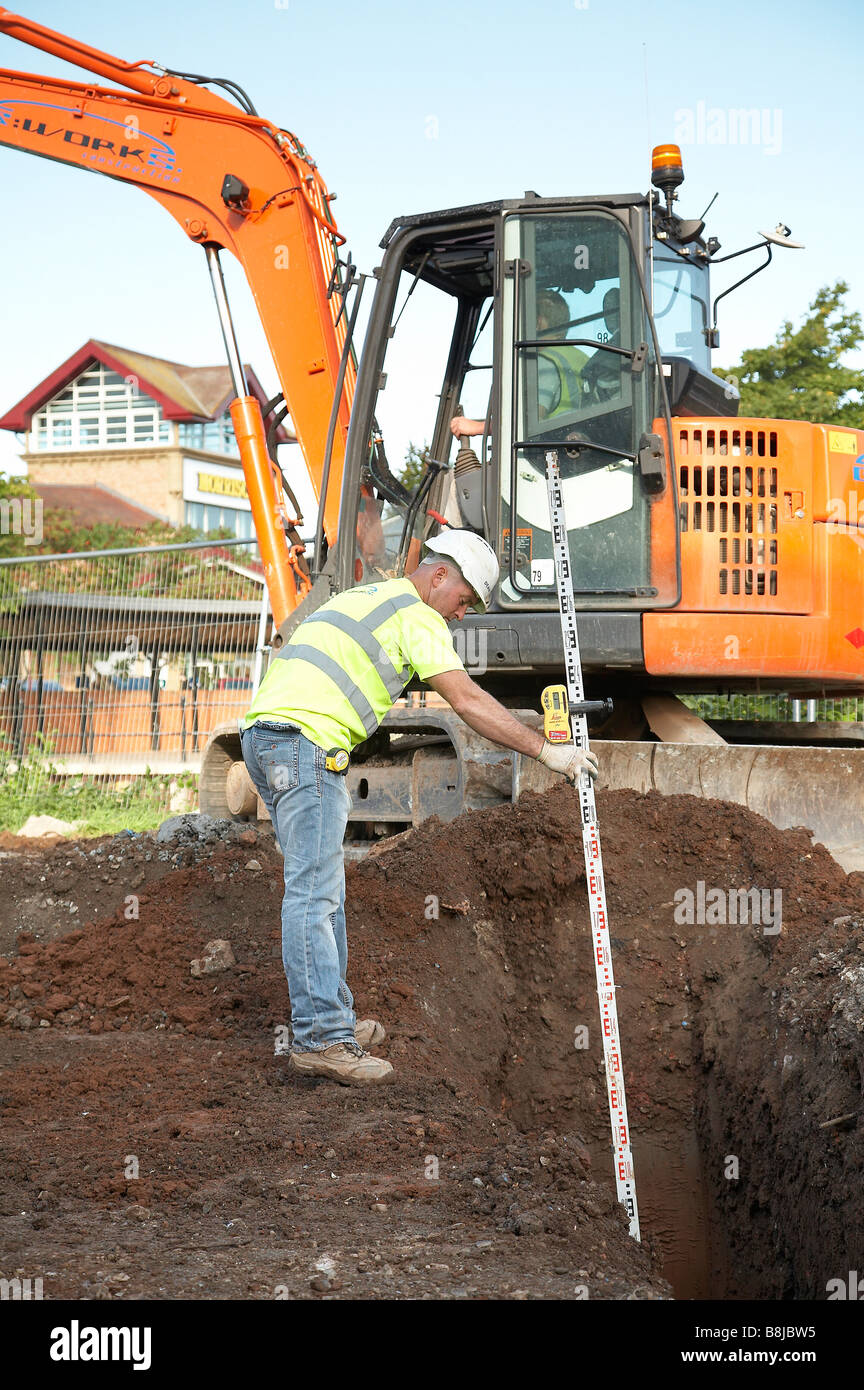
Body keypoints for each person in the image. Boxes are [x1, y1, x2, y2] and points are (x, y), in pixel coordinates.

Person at [240, 529, 598, 1086]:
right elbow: (466, 699)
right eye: (463, 601)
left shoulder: (361, 596)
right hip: (306, 744)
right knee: (313, 893)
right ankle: (319, 1040)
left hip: (267, 739)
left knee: (322, 886)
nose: (459, 616)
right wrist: (547, 751)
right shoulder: (417, 616)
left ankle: (331, 1019)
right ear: (439, 576)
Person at [451, 288, 588, 440]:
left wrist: (475, 427)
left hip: (553, 452)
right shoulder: (582, 358)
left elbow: (526, 425)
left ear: (537, 322)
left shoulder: (545, 361)